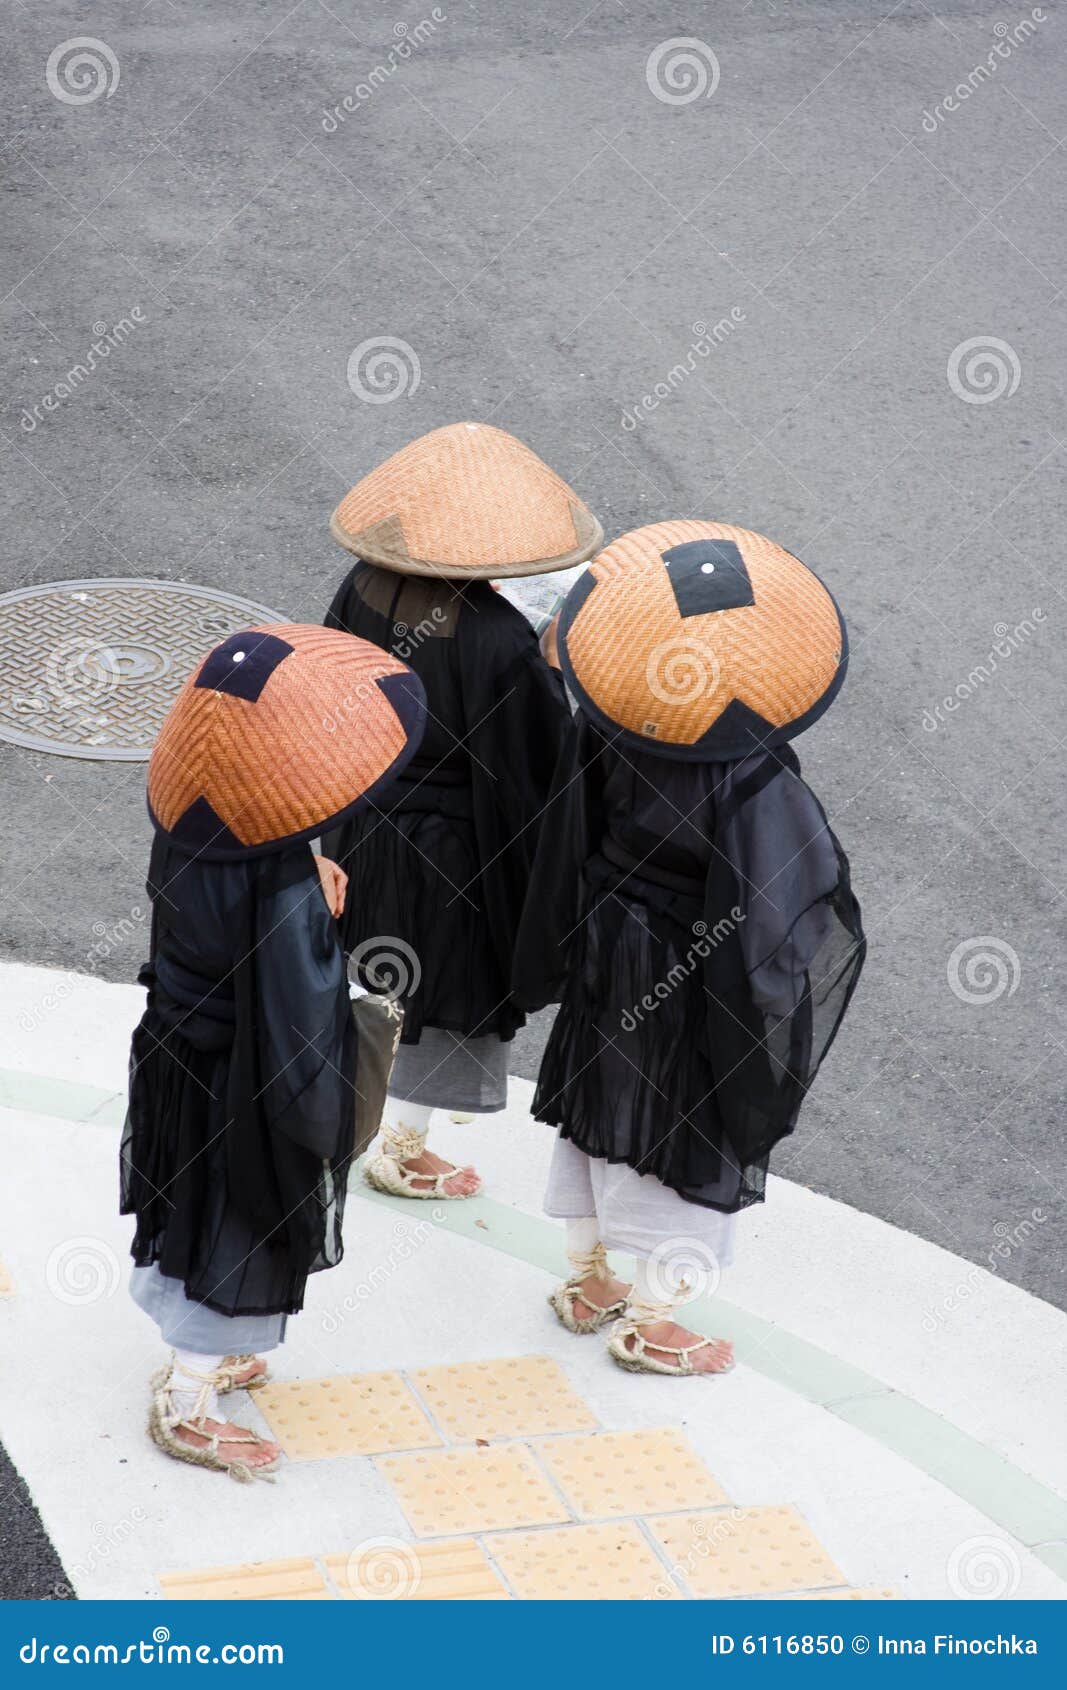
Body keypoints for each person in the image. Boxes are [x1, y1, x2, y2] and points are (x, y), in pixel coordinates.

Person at [513, 521, 866, 1376]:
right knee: (689, 1130)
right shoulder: (754, 776)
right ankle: (653, 1320)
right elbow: (786, 916)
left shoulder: (614, 721)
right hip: (689, 969)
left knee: (598, 1106)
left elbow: (567, 833)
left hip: (609, 941)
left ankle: (590, 1281)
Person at [122, 624, 425, 1478]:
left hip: (178, 1050)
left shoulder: (187, 823)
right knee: (237, 1223)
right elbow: (300, 1006)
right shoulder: (282, 883)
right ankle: (186, 1399)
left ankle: (198, 1357)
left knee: (185, 1208)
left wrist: (298, 869)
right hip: (242, 1083)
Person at [323, 421, 602, 1201]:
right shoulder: (497, 639)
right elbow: (533, 775)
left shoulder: (363, 585)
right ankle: (397, 1145)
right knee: (438, 1001)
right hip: (451, 852)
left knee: (365, 977)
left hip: (362, 815)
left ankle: (325, 1118)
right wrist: (549, 678)